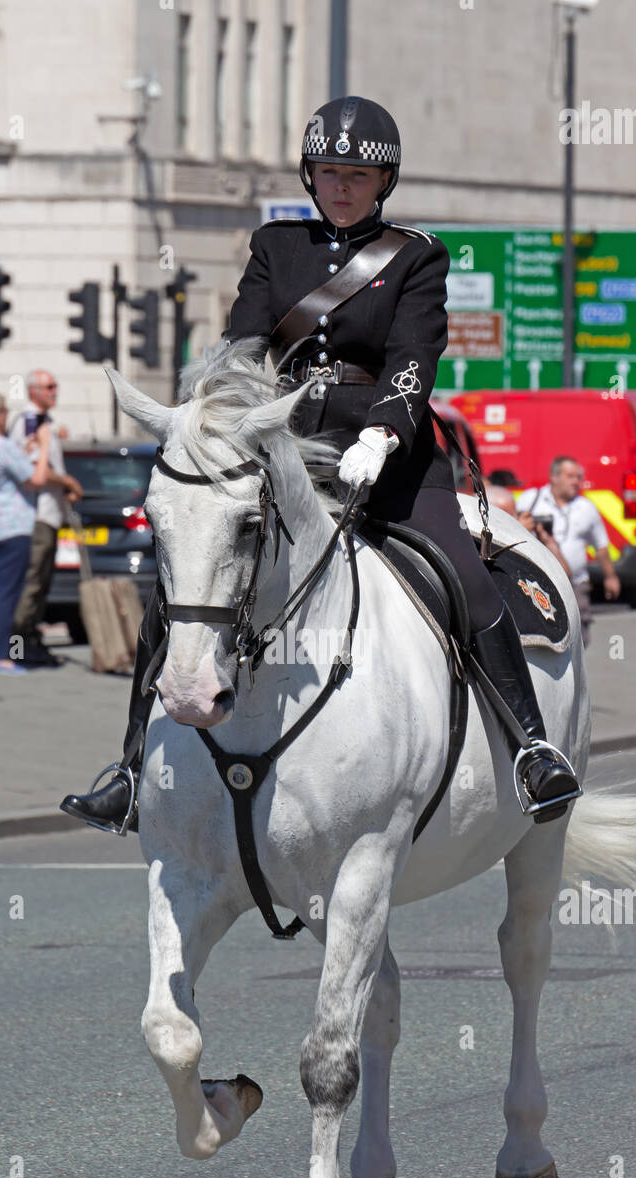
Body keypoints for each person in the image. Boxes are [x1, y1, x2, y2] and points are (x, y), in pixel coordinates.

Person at [61, 96, 582, 833]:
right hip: (283, 448)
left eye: (358, 175)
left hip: (388, 459)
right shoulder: (277, 246)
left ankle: (532, 747)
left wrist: (384, 434)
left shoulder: (415, 255)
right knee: (187, 583)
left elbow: (412, 358)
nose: (342, 186)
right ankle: (132, 768)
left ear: (383, 182)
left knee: (462, 575)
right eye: (329, 171)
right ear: (310, 176)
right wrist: (218, 412)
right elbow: (244, 345)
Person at [0, 389, 55, 675]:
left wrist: (25, 449)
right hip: (13, 525)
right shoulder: (2, 445)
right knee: (7, 593)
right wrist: (43, 447)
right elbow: (36, 479)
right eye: (4, 411)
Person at [9, 370, 83, 667]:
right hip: (35, 515)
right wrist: (67, 482)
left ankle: (29, 641)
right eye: (49, 386)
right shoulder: (30, 421)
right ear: (33, 390)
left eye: (55, 385)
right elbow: (31, 469)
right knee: (31, 585)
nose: (55, 390)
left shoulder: (44, 422)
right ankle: (17, 647)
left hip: (48, 514)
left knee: (40, 585)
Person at [518, 456, 621, 647]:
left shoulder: (586, 508)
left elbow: (601, 546)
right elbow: (510, 529)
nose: (576, 481)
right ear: (554, 477)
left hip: (576, 584)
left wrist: (610, 577)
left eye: (579, 477)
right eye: (570, 476)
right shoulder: (531, 500)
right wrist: (522, 524)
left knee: (580, 637)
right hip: (539, 581)